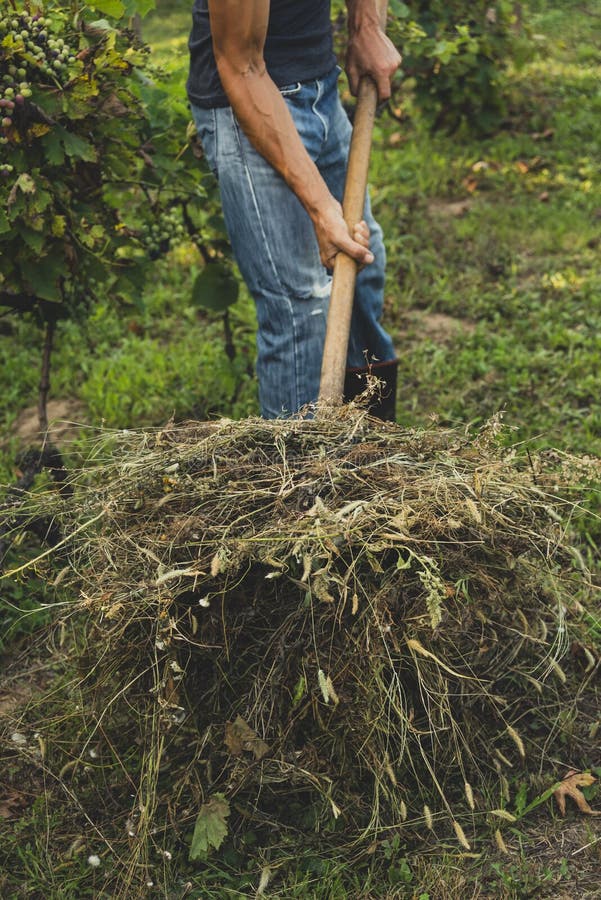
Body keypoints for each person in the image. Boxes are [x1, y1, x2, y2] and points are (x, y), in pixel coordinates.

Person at [187, 0, 401, 419]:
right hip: (250, 100)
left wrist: (366, 24)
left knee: (362, 270)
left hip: (319, 87)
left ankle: (372, 461)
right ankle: (301, 476)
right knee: (302, 308)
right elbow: (240, 65)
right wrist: (322, 210)